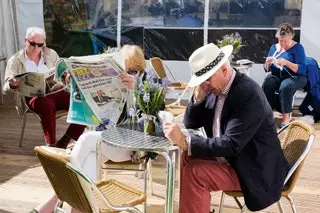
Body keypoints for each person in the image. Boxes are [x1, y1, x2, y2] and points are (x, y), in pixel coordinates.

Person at [163, 43, 289, 213]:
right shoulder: (214, 89)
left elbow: (231, 144)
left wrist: (185, 141)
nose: (205, 84)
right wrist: (198, 98)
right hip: (233, 159)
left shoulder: (247, 94)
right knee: (187, 156)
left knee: (195, 172)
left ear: (223, 70)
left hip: (254, 168)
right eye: (202, 81)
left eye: (207, 79)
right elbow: (190, 123)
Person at [30, 45, 144, 213]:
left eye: (132, 71)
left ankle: (56, 196)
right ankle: (76, 209)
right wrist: (74, 81)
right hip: (106, 143)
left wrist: (135, 92)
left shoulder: (147, 85)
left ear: (140, 69)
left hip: (129, 147)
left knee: (86, 139)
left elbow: (153, 116)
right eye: (123, 69)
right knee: (88, 164)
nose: (127, 74)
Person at [3, 27, 85, 148]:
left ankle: (64, 141)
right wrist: (12, 84)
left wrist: (66, 75)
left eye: (40, 45)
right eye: (32, 44)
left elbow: (61, 71)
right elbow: (5, 88)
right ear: (26, 40)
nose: (36, 48)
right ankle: (51, 145)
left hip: (55, 91)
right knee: (47, 104)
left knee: (81, 103)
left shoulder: (51, 54)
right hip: (31, 97)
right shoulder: (15, 60)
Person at [262, 23, 307, 128]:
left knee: (286, 85)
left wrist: (287, 63)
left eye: (285, 41)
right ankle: (267, 115)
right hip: (278, 76)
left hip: (297, 77)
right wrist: (267, 63)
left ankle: (286, 118)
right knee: (268, 82)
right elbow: (266, 69)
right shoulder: (274, 48)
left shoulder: (298, 48)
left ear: (291, 37)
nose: (282, 44)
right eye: (280, 40)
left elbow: (302, 69)